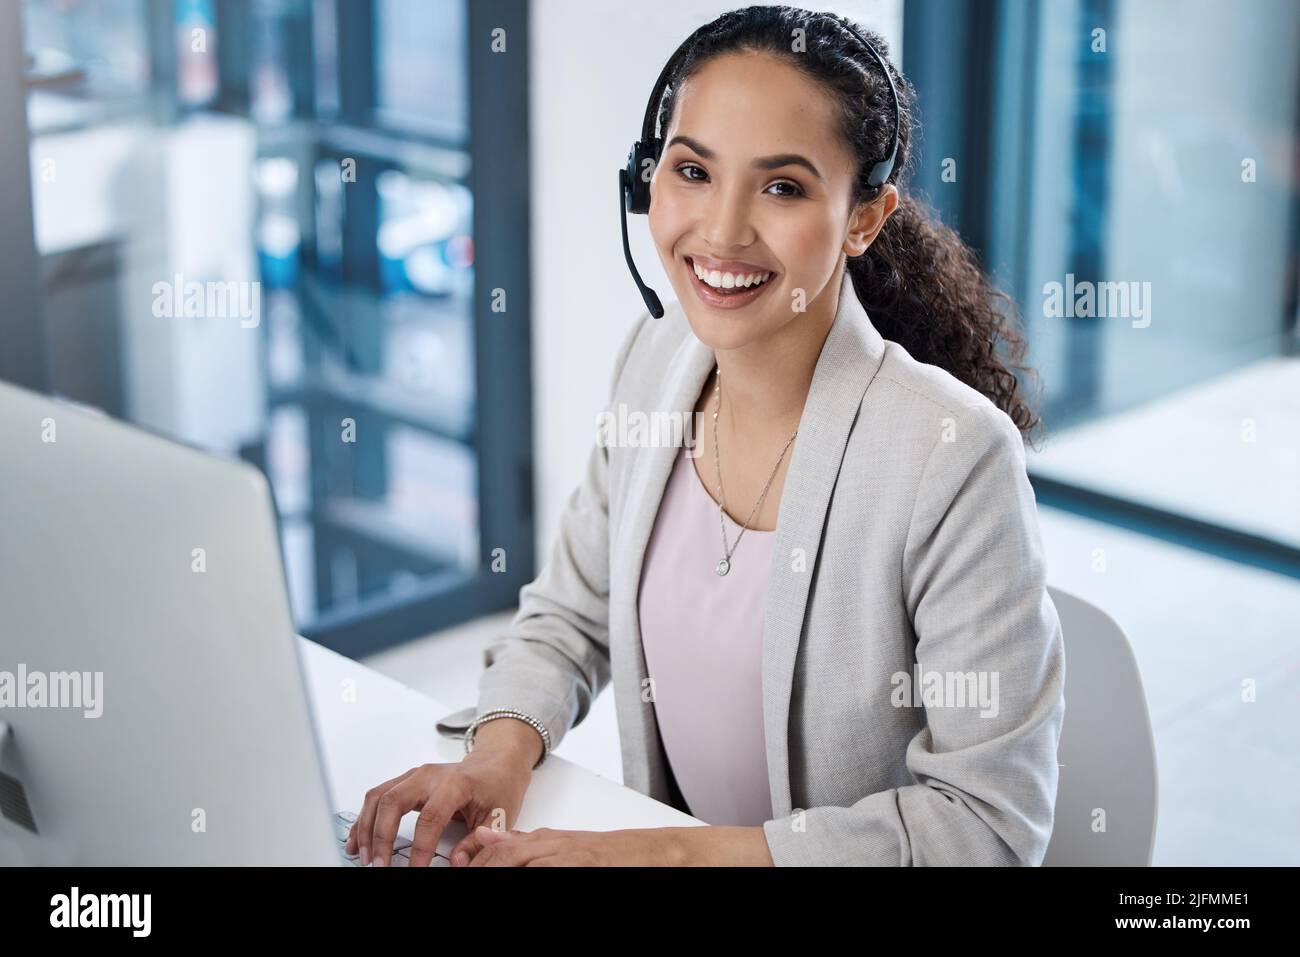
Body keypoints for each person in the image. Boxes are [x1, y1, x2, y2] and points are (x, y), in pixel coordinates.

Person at [347, 4, 1065, 867]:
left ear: (865, 218)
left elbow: (985, 828)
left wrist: (663, 856)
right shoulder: (655, 361)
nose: (721, 231)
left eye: (783, 186)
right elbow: (572, 616)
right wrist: (496, 754)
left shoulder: (953, 458)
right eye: (692, 171)